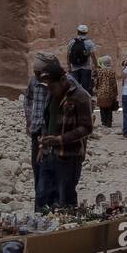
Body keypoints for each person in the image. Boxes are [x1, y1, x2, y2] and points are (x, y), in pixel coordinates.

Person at [36, 61, 93, 209]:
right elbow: (46, 121)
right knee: (43, 196)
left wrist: (60, 139)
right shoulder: (51, 96)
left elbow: (86, 128)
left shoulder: (80, 96)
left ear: (62, 80)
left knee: (65, 200)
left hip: (69, 156)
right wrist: (42, 146)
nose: (50, 90)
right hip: (48, 155)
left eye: (52, 86)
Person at [24, 52, 55, 190]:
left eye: (39, 73)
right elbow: (28, 99)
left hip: (51, 131)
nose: (36, 76)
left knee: (50, 165)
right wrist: (29, 119)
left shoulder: (55, 83)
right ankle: (40, 199)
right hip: (36, 129)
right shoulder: (33, 81)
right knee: (36, 165)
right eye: (35, 73)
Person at [67, 25, 96, 94]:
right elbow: (93, 56)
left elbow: (68, 54)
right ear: (86, 32)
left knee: (74, 89)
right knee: (85, 89)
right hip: (86, 68)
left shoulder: (72, 42)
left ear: (77, 31)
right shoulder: (89, 42)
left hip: (74, 68)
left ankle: (75, 104)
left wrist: (69, 66)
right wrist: (96, 66)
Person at [93, 55, 118, 128]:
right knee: (109, 109)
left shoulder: (99, 71)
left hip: (101, 92)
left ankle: (103, 123)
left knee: (102, 108)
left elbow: (96, 82)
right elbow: (114, 84)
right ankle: (109, 123)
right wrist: (115, 93)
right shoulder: (112, 71)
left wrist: (96, 89)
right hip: (110, 93)